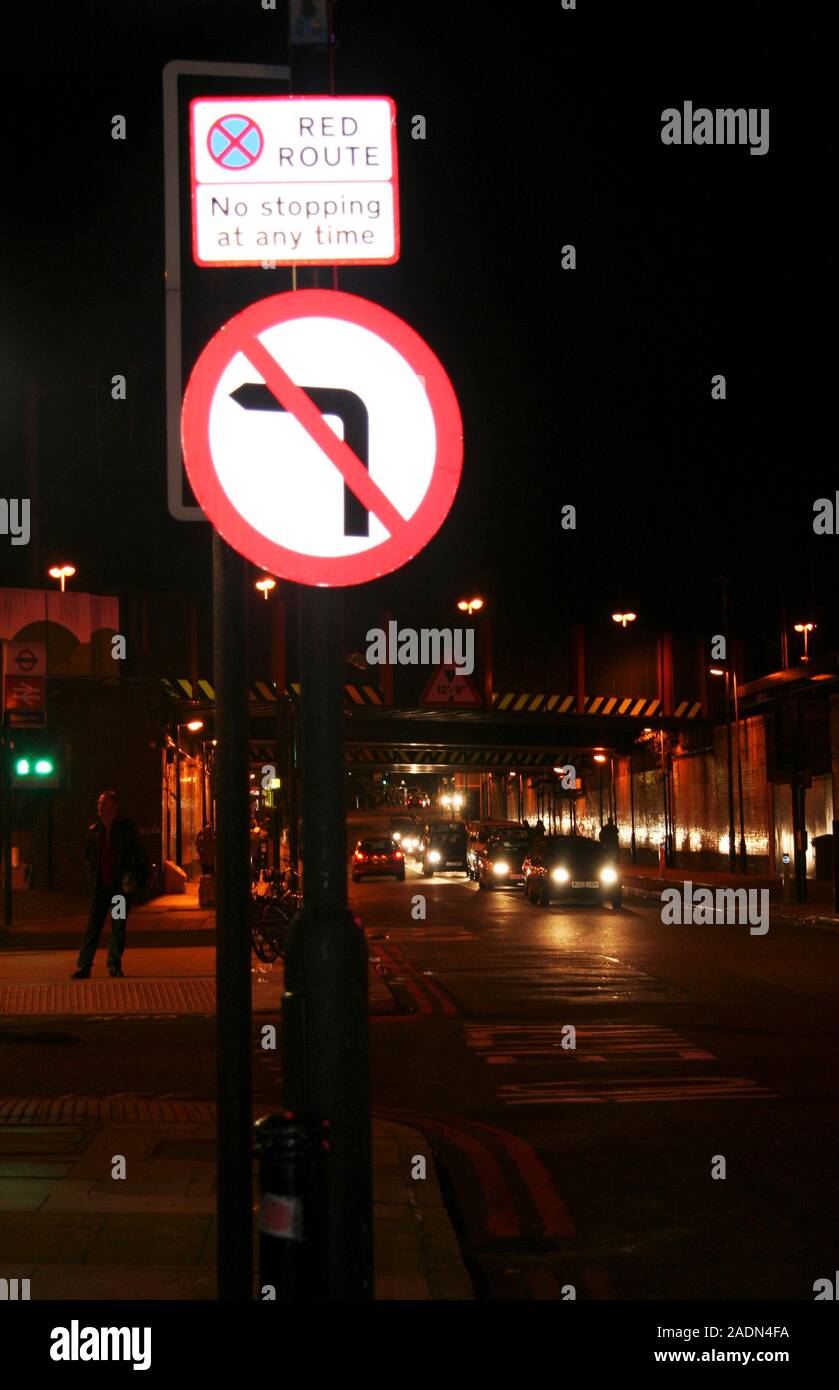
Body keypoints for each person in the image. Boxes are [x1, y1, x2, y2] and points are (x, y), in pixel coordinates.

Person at [72, 790, 148, 979]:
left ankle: (113, 965)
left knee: (118, 926)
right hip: (101, 888)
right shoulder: (94, 831)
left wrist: (136, 877)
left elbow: (140, 853)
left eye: (104, 803)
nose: (100, 807)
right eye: (99, 803)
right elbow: (89, 858)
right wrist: (93, 878)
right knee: (93, 927)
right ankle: (84, 965)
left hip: (119, 890)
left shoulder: (126, 829)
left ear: (113, 807)